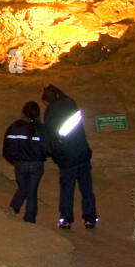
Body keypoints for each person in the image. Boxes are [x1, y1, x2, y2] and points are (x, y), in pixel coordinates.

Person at [42, 84, 98, 230]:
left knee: (67, 191)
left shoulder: (50, 113)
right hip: (82, 154)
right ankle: (90, 219)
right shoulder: (71, 103)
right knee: (86, 189)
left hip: (67, 159)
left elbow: (51, 138)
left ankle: (66, 220)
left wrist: (56, 156)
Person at [3, 101, 47, 223]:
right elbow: (48, 147)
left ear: (23, 112)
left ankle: (12, 210)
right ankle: (29, 220)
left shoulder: (15, 126)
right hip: (36, 164)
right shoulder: (42, 128)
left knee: (23, 187)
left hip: (20, 163)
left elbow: (8, 147)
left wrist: (13, 160)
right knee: (32, 191)